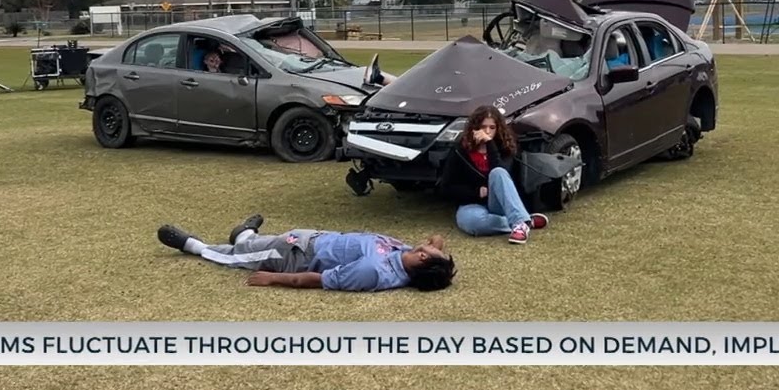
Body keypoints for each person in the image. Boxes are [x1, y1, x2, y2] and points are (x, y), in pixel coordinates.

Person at [156, 214, 456, 292]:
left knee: (238, 256)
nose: (431, 244)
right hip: (311, 237)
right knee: (256, 244)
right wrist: (437, 255)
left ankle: (194, 245)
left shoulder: (374, 271)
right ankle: (245, 234)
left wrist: (274, 280)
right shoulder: (405, 254)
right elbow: (437, 240)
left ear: (423, 258)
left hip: (295, 256)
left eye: (431, 251)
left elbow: (319, 279)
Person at [438, 105, 549, 245]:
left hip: (499, 203)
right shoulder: (460, 150)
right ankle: (525, 221)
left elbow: (501, 172)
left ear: (498, 129)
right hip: (473, 203)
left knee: (498, 172)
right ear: (474, 128)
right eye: (483, 127)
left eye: (492, 128)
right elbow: (446, 188)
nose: (487, 131)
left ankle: (519, 223)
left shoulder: (504, 148)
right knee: (472, 223)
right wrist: (476, 192)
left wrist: (490, 144)